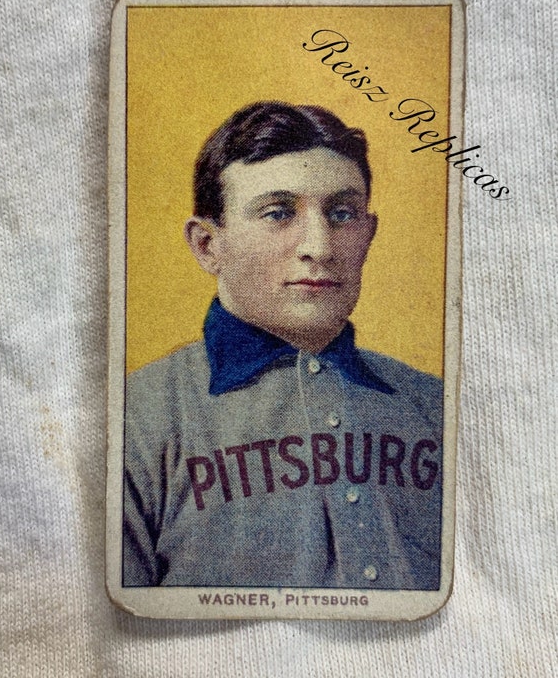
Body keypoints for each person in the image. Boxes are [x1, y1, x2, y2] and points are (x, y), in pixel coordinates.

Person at [123, 101, 443, 590]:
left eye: (342, 214)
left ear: (369, 234)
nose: (320, 246)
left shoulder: (435, 406)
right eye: (278, 213)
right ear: (208, 245)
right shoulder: (136, 419)